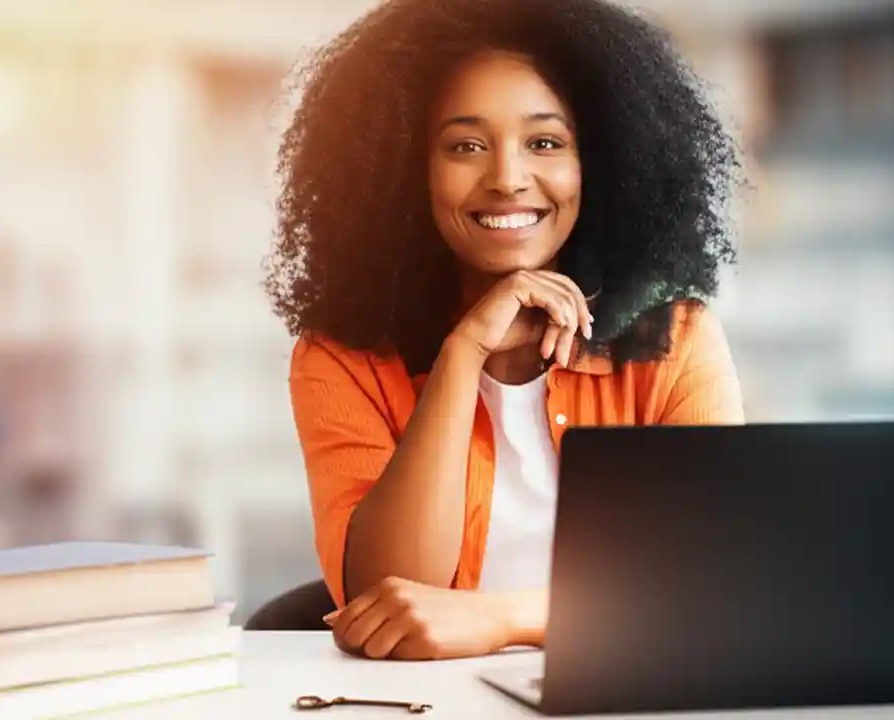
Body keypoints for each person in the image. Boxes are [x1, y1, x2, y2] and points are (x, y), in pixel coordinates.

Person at [265, 0, 744, 661]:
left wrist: (505, 619)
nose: (508, 179)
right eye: (465, 146)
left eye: (545, 142)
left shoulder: (675, 341)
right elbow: (387, 603)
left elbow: (718, 585)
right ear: (407, 168)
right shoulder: (341, 360)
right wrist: (464, 353)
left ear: (597, 165)